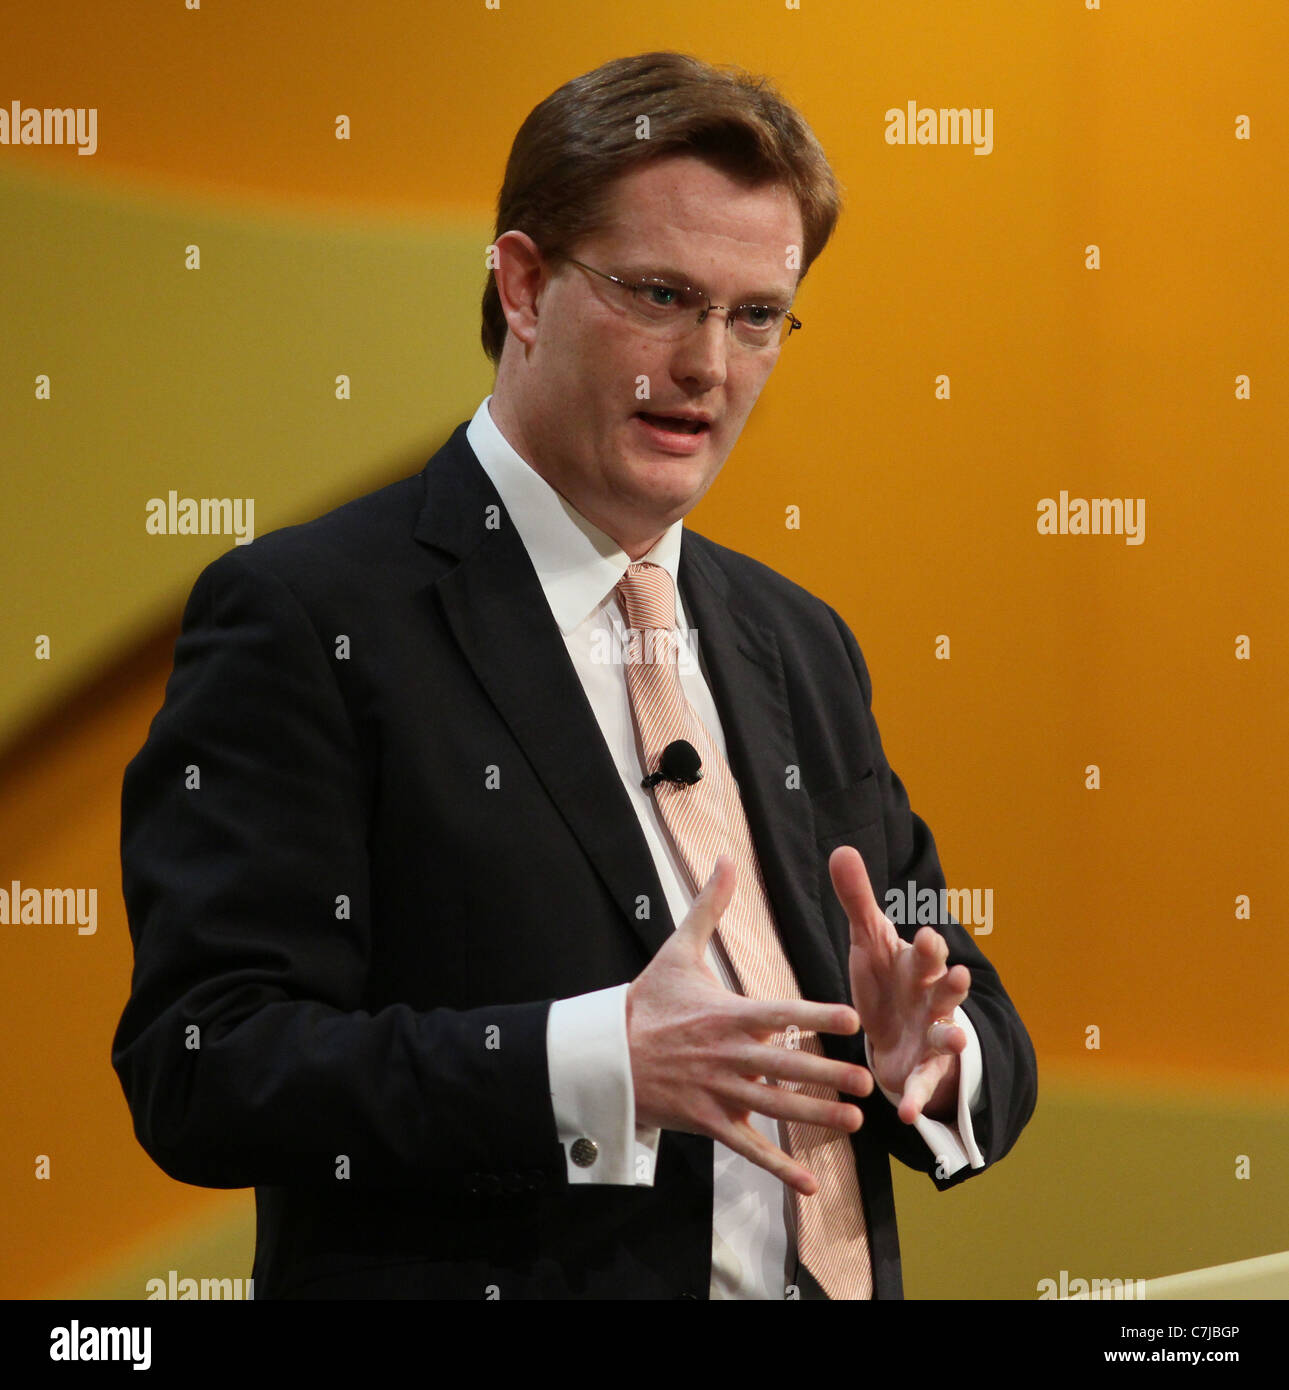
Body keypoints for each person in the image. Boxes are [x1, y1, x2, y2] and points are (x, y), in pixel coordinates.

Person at [113, 50, 1036, 1300]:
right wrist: (590, 1062)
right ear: (526, 283)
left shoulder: (794, 639)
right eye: (661, 295)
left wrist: (928, 1056)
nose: (709, 365)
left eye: (756, 314)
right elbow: (205, 1063)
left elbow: (945, 972)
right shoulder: (309, 615)